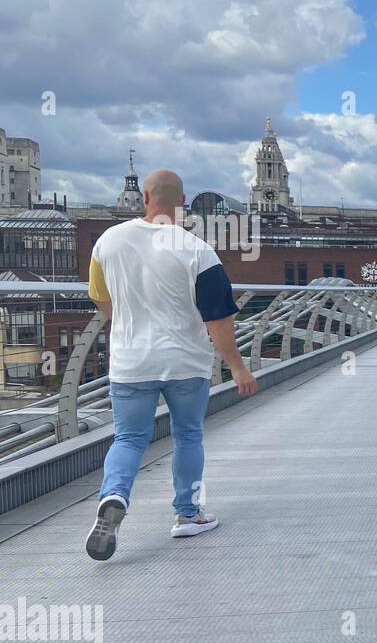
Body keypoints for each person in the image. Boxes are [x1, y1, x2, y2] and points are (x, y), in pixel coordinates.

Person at [84, 168, 257, 561]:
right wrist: (237, 366)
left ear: (144, 197)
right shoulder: (197, 249)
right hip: (185, 361)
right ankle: (187, 515)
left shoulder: (107, 242)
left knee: (129, 438)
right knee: (188, 435)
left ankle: (113, 496)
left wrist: (125, 322)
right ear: (182, 203)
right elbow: (218, 318)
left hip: (131, 361)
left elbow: (99, 296)